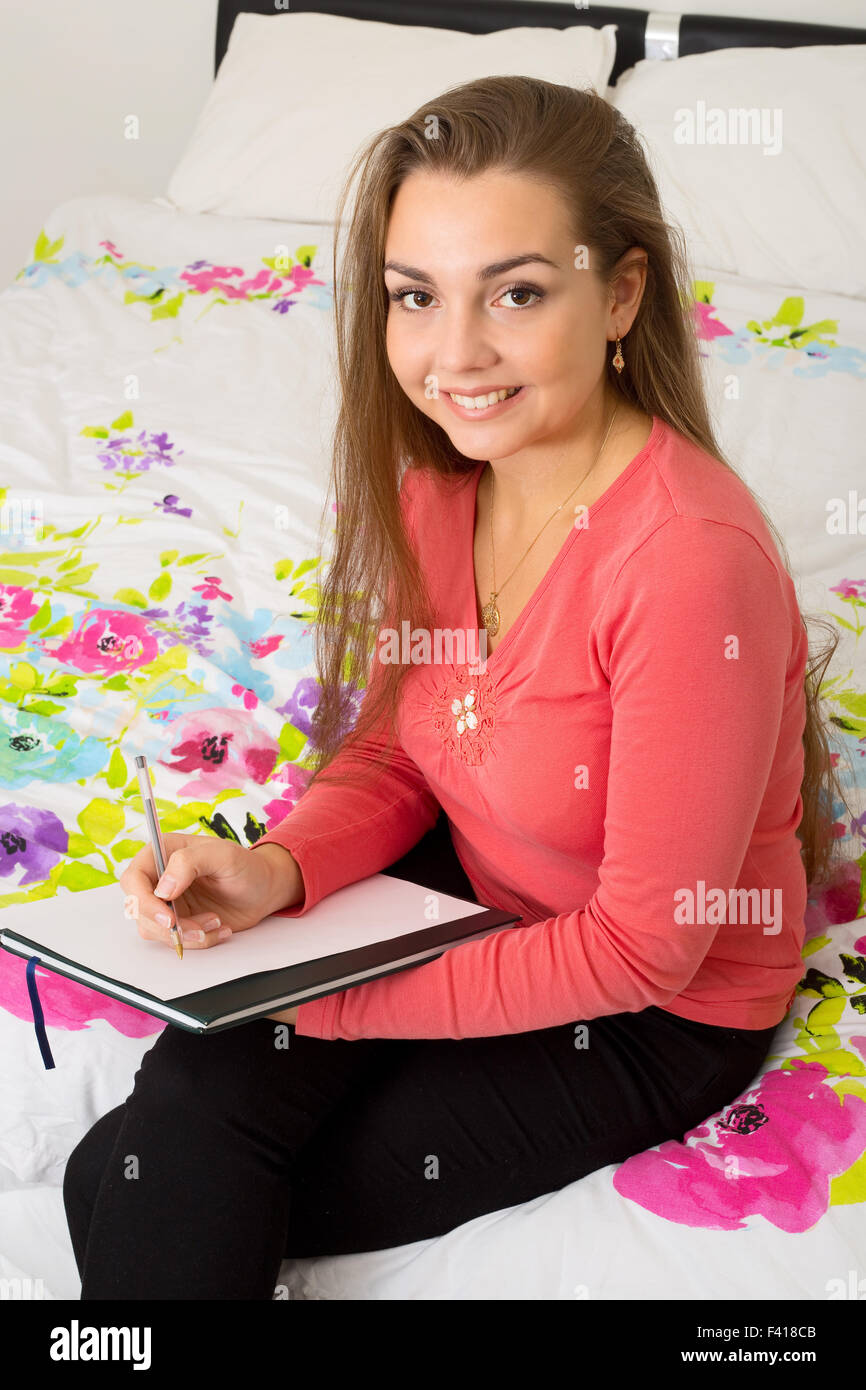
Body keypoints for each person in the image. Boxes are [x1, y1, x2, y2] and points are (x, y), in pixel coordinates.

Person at [63, 76, 851, 1301]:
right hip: (470, 881)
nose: (454, 356)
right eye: (415, 296)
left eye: (518, 293)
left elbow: (645, 947)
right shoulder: (444, 478)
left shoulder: (689, 564)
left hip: (649, 1007)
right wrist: (279, 870)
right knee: (150, 1148)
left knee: (133, 1175)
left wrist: (329, 1000)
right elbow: (395, 752)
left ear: (620, 296)